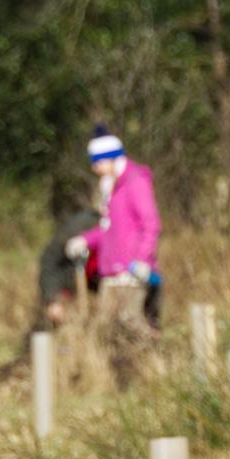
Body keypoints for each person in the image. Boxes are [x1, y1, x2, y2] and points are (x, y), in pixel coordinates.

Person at [65, 126, 162, 333]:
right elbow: (108, 230)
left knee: (132, 328)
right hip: (111, 275)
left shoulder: (135, 182)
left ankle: (154, 363)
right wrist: (84, 240)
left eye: (97, 162)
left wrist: (143, 260)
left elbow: (151, 224)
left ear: (110, 158)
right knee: (107, 331)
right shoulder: (112, 189)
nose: (95, 168)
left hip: (133, 274)